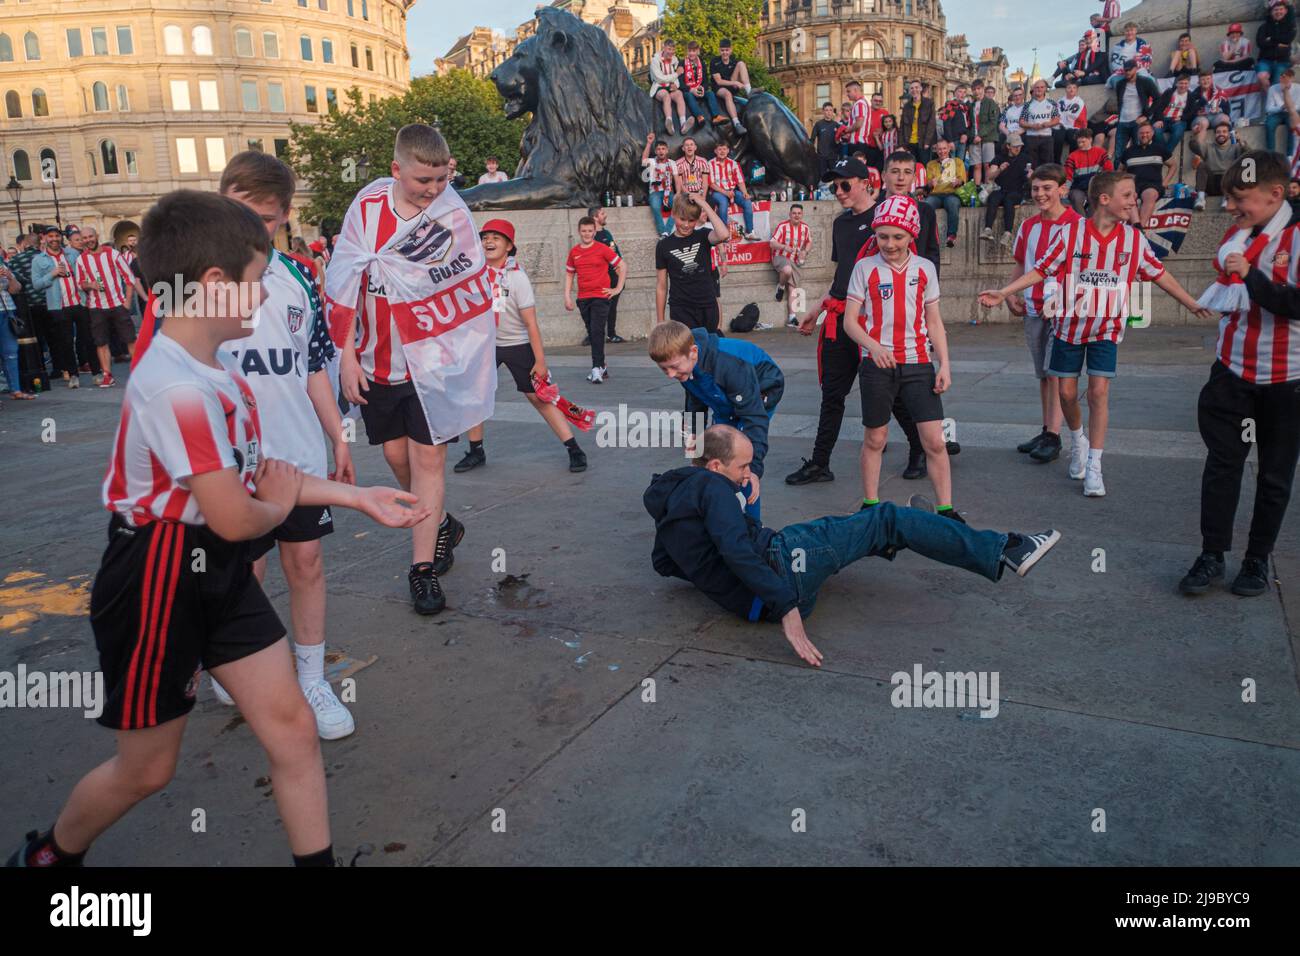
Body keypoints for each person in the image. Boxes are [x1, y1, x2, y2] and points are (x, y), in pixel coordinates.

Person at [5, 189, 429, 869]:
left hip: (213, 569)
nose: (264, 300)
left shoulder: (214, 368)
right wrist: (280, 506)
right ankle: (50, 856)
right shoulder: (178, 386)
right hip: (157, 578)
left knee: (292, 730)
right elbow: (240, 513)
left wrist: (356, 497)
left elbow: (267, 478)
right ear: (212, 285)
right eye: (256, 283)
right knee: (145, 770)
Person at [644, 425, 1062, 668]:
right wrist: (787, 608)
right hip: (787, 565)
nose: (749, 472)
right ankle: (1004, 549)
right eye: (743, 467)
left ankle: (918, 528)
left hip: (761, 600)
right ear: (715, 466)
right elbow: (736, 549)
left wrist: (727, 565)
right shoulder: (713, 487)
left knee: (858, 530)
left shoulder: (672, 501)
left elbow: (664, 562)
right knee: (885, 518)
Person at [204, 151, 357, 738]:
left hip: (297, 452)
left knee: (308, 561)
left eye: (265, 218)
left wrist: (337, 433)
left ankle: (312, 677)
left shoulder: (296, 275)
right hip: (232, 459)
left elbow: (314, 364)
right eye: (242, 212)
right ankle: (236, 661)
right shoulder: (197, 279)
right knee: (247, 567)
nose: (252, 228)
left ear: (285, 216)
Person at [979, 170, 1214, 497]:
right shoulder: (1071, 234)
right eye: (1128, 194)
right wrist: (1005, 292)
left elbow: (1160, 274)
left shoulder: (1133, 239)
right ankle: (1077, 440)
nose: (1134, 200)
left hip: (1105, 329)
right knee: (1067, 394)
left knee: (1100, 392)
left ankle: (1094, 464)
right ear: (1105, 199)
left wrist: (1191, 303)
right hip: (1068, 327)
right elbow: (1040, 269)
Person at [331, 124, 477, 616]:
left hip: (430, 361)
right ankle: (440, 524)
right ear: (396, 170)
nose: (434, 190)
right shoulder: (367, 211)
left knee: (429, 462)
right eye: (422, 181)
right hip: (377, 361)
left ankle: (422, 570)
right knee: (398, 460)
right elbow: (344, 283)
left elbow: (466, 282)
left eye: (442, 178)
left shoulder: (452, 213)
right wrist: (346, 356)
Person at [1180, 150, 1300, 597]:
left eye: (1240, 198)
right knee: (1222, 466)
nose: (1231, 207)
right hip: (1231, 374)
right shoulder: (1238, 236)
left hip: (1287, 380)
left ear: (1275, 194)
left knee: (1274, 475)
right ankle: (1212, 554)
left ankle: (1256, 562)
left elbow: (1295, 306)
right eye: (1229, 198)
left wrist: (1250, 276)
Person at [842, 195, 958, 518]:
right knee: (875, 438)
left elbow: (934, 322)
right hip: (877, 365)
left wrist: (944, 364)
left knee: (934, 441)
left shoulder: (924, 270)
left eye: (897, 237)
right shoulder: (865, 268)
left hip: (919, 362)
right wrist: (873, 346)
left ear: (911, 236)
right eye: (882, 236)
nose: (889, 244)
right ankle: (869, 506)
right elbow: (849, 321)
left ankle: (947, 510)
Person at [456, 219, 588, 475]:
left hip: (517, 344)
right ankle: (475, 451)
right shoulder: (475, 275)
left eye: (496, 237)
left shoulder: (517, 279)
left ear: (509, 246)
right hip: (485, 345)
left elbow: (531, 324)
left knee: (538, 397)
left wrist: (540, 361)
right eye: (485, 238)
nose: (489, 242)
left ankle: (573, 448)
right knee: (475, 397)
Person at [785, 157, 879, 486]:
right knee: (832, 394)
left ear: (865, 182)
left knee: (888, 392)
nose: (838, 191)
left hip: (874, 320)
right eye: (833, 186)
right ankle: (820, 462)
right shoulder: (840, 224)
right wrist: (818, 310)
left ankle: (921, 448)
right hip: (840, 317)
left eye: (844, 184)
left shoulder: (884, 218)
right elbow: (842, 275)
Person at [648, 322, 783, 519]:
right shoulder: (686, 367)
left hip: (761, 389)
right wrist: (695, 443)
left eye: (674, 367)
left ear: (693, 352)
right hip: (727, 395)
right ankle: (721, 514)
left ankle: (752, 527)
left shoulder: (729, 366)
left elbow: (755, 418)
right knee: (714, 455)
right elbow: (696, 399)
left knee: (738, 461)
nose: (670, 375)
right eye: (664, 369)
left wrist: (752, 468)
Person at [1007, 164, 1083, 463]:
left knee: (1055, 372)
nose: (1040, 194)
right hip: (1033, 306)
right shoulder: (1028, 226)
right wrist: (1012, 292)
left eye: (1047, 188)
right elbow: (1020, 262)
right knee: (1043, 373)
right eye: (1036, 188)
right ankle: (1046, 429)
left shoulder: (1077, 224)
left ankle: (1054, 434)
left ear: (1062, 189)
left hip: (1064, 308)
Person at [654, 193, 729, 333]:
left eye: (692, 220)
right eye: (682, 219)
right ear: (673, 214)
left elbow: (724, 234)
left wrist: (703, 204)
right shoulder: (664, 246)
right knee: (687, 352)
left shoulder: (703, 236)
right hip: (681, 309)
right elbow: (661, 286)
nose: (687, 225)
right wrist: (660, 321)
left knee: (709, 350)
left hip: (707, 306)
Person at [565, 215, 626, 384]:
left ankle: (596, 368)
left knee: (597, 331)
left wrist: (617, 288)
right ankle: (602, 366)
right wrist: (567, 296)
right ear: (579, 231)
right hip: (583, 298)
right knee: (593, 333)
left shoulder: (602, 248)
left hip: (601, 296)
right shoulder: (574, 252)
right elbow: (570, 273)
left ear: (594, 231)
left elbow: (621, 265)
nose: (587, 234)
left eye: (590, 231)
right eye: (584, 231)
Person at [74, 227, 135, 389]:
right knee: (101, 342)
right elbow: (79, 284)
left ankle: (138, 373)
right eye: (85, 238)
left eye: (90, 236)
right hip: (96, 307)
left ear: (97, 236)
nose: (88, 240)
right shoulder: (81, 259)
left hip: (117, 304)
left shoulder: (112, 254)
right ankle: (107, 375)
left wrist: (127, 302)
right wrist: (90, 284)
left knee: (129, 339)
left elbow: (129, 278)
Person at [29, 224, 82, 387]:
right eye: (50, 236)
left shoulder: (72, 253)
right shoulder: (39, 260)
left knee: (87, 338)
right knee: (65, 341)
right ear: (44, 238)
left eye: (57, 236)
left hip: (80, 301)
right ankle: (72, 373)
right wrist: (51, 274)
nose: (54, 239)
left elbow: (85, 272)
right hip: (58, 305)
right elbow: (36, 284)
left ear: (61, 237)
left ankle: (96, 370)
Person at [1120, 119, 1174, 228]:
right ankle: (1137, 225)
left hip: (1152, 185)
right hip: (1133, 185)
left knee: (1149, 195)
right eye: (1141, 133)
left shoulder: (1159, 149)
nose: (1144, 135)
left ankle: (1141, 228)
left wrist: (1165, 182)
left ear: (1152, 133)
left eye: (1147, 132)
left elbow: (1173, 165)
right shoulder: (1129, 151)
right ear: (1138, 134)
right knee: (1129, 196)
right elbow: (1120, 170)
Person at [980, 133, 1031, 247]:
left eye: (1019, 146)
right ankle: (987, 229)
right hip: (1001, 189)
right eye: (1015, 146)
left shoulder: (1025, 158)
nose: (1018, 148)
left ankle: (1007, 233)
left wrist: (1030, 176)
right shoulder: (999, 158)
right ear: (1008, 146)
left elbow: (1031, 177)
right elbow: (990, 177)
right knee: (993, 197)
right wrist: (1000, 170)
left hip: (1016, 191)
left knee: (1009, 200)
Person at [586, 206, 626, 344]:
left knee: (611, 306)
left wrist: (620, 274)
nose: (605, 215)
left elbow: (616, 254)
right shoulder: (591, 237)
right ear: (595, 218)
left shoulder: (607, 234)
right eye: (602, 213)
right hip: (598, 278)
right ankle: (592, 335)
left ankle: (611, 333)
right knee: (595, 307)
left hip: (612, 277)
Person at [770, 203, 812, 326]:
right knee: (787, 270)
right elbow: (772, 243)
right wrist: (784, 247)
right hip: (780, 257)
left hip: (795, 260)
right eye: (794, 213)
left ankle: (792, 318)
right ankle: (781, 286)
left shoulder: (805, 228)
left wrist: (805, 251)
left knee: (793, 288)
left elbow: (809, 241)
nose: (796, 215)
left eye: (799, 213)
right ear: (790, 214)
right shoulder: (782, 226)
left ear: (802, 215)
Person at [1189, 116, 1244, 210]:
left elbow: (1249, 154)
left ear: (1229, 134)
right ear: (1215, 135)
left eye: (1224, 132)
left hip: (1227, 184)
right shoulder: (1208, 147)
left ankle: (1227, 198)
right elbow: (1195, 147)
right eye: (1218, 132)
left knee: (1234, 168)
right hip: (1211, 184)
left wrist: (1241, 142)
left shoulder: (1235, 147)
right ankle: (1200, 199)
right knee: (1202, 165)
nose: (1221, 134)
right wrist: (1194, 135)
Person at [707, 142, 759, 241]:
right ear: (715, 151)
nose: (722, 151)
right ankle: (723, 233)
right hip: (718, 192)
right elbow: (712, 184)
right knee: (723, 203)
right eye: (719, 149)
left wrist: (744, 192)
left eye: (724, 149)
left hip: (732, 191)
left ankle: (750, 232)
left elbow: (740, 181)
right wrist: (726, 193)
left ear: (728, 151)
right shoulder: (710, 164)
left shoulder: (733, 164)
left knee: (747, 201)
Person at [1112, 57, 1160, 160]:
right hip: (1122, 122)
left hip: (1137, 122)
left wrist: (1146, 116)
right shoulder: (1120, 84)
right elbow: (1120, 102)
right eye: (1125, 70)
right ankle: (1118, 175)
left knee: (1139, 151)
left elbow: (1158, 99)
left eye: (1129, 69)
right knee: (1118, 153)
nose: (1127, 72)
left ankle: (1137, 175)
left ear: (1136, 69)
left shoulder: (1145, 81)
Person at [0, 257, 33, 400]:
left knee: (11, 352)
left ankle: (16, 389)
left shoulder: (1, 263)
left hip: (7, 311)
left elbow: (15, 289)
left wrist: (9, 277)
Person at [925, 139, 967, 247]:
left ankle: (951, 236)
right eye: (939, 149)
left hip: (951, 193)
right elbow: (928, 184)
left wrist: (958, 181)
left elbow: (963, 179)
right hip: (936, 194)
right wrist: (931, 183)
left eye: (944, 148)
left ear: (949, 149)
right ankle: (927, 235)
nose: (942, 151)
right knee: (927, 205)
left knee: (953, 203)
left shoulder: (957, 162)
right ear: (936, 150)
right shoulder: (931, 164)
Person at [1064, 127, 1114, 214]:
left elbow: (1109, 171)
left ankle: (1091, 221)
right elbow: (1068, 176)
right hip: (1078, 187)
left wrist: (1106, 186)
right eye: (1079, 142)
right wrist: (1065, 190)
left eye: (1083, 142)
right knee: (1076, 198)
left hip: (1095, 186)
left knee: (1096, 199)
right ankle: (1083, 222)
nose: (1080, 145)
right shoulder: (1072, 156)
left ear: (1090, 140)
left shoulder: (1101, 152)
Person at [650, 38, 690, 135]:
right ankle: (669, 123)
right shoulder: (655, 61)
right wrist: (676, 75)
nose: (671, 52)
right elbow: (660, 78)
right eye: (669, 49)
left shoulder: (675, 60)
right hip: (659, 87)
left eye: (672, 50)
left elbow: (678, 77)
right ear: (664, 48)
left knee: (679, 94)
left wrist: (676, 85)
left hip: (670, 86)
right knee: (665, 96)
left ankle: (683, 123)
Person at [710, 38, 750, 135]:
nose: (725, 53)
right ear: (719, 50)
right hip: (719, 88)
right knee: (728, 94)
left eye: (727, 50)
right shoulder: (714, 61)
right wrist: (735, 83)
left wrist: (738, 83)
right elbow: (719, 81)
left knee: (741, 63)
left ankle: (749, 91)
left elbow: (736, 77)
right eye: (722, 50)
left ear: (730, 50)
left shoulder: (733, 60)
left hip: (732, 83)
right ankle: (736, 123)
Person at [641, 133, 676, 237]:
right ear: (656, 151)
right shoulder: (651, 161)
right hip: (655, 192)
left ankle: (666, 231)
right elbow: (643, 161)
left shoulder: (672, 163)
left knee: (678, 206)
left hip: (669, 192)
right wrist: (649, 143)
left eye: (663, 149)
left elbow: (677, 181)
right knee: (655, 207)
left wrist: (678, 195)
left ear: (667, 150)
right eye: (659, 149)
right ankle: (663, 233)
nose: (661, 151)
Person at [679, 40, 719, 130]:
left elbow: (705, 80)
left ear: (698, 51)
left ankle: (716, 116)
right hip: (688, 90)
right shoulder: (682, 63)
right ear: (687, 51)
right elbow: (680, 82)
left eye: (693, 51)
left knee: (710, 94)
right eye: (689, 51)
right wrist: (691, 89)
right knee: (689, 96)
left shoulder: (702, 63)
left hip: (699, 89)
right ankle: (699, 116)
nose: (691, 53)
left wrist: (701, 89)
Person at [1021, 79, 1062, 167]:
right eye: (1037, 87)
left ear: (1045, 89)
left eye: (1042, 87)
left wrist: (1048, 124)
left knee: (1047, 165)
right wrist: (1032, 126)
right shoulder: (1027, 104)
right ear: (1033, 89)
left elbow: (1057, 119)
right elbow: (1021, 121)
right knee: (1031, 165)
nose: (1039, 89)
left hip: (1046, 137)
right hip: (1031, 137)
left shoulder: (1052, 103)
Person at [1257, 1, 1296, 88]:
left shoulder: (1289, 26)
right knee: (1262, 77)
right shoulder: (1264, 27)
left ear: (1286, 11)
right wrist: (1278, 43)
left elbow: (1288, 39)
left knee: (1277, 85)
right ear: (1271, 12)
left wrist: (1271, 39)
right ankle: (1270, 96)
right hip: (1266, 60)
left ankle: (1272, 98)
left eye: (1281, 9)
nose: (1278, 12)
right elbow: (1260, 43)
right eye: (1276, 10)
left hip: (1282, 61)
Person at [1152, 73, 1193, 153]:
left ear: (1189, 84)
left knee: (1177, 133)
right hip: (1163, 118)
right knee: (1156, 131)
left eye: (1186, 83)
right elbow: (1158, 107)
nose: (1183, 86)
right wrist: (1159, 119)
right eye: (1181, 83)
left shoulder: (1190, 96)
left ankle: (1166, 154)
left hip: (1178, 120)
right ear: (1176, 83)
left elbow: (1191, 111)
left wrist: (1182, 118)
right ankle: (1165, 153)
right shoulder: (1169, 92)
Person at [900, 80, 937, 165]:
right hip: (909, 142)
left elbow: (931, 124)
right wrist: (902, 145)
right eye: (912, 88)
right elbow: (902, 126)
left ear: (920, 89)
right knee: (911, 166)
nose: (914, 90)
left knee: (924, 167)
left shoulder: (929, 103)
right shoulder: (906, 106)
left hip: (923, 142)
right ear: (909, 91)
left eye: (916, 87)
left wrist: (927, 142)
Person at [972, 82, 1002, 185]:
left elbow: (993, 122)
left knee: (987, 165)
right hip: (974, 139)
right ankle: (977, 188)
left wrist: (980, 135)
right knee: (977, 165)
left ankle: (987, 189)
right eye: (974, 89)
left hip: (987, 138)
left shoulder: (990, 103)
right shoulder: (971, 105)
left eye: (979, 88)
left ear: (982, 89)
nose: (977, 91)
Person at [1264, 68, 1297, 157]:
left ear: (1292, 78)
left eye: (1288, 77)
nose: (1285, 80)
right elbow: (1268, 108)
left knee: (1293, 125)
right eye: (1283, 77)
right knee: (1269, 125)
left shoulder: (1298, 88)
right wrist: (1281, 108)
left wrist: (1290, 107)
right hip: (1277, 113)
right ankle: (1271, 155)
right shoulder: (1273, 88)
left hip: (1291, 113)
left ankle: (1290, 155)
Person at [843, 80, 875, 170]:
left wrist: (847, 130)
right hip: (861, 143)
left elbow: (859, 123)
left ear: (856, 90)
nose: (847, 94)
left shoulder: (859, 103)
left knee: (855, 170)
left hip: (857, 143)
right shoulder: (863, 102)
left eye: (849, 91)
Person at [1055, 80, 1089, 162]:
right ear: (1065, 89)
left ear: (1077, 90)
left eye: (1074, 88)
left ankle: (1072, 161)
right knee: (1058, 138)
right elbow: (1055, 115)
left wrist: (1084, 129)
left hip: (1074, 127)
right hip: (1061, 126)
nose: (1071, 89)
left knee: (1074, 139)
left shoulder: (1080, 102)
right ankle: (1056, 162)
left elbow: (1082, 117)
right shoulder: (1060, 101)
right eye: (1069, 87)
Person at [812, 101, 843, 182]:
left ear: (832, 112)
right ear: (823, 111)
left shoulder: (836, 125)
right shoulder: (818, 124)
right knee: (822, 179)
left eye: (830, 110)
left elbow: (841, 140)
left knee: (835, 178)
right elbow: (812, 139)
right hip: (821, 157)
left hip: (833, 157)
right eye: (826, 110)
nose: (829, 112)